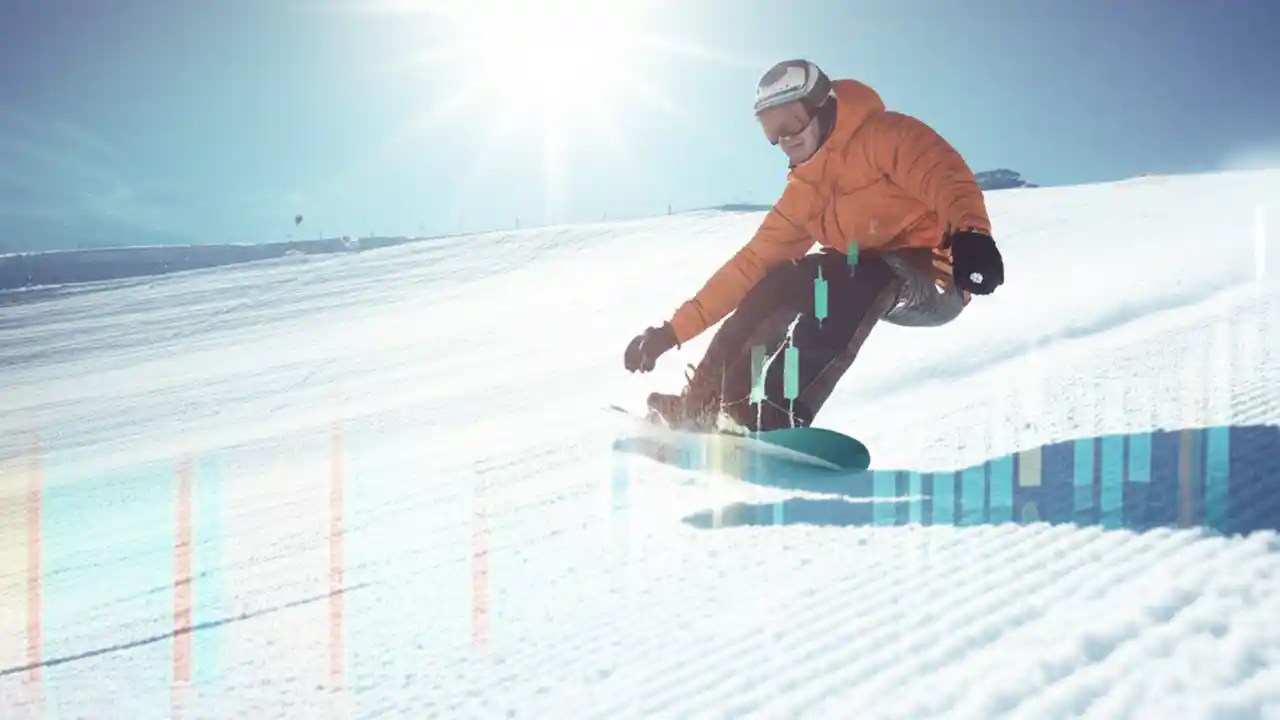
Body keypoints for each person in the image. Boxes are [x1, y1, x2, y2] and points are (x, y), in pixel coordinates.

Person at [623, 59, 1006, 432]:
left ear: (822, 106)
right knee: (779, 279)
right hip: (859, 270)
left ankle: (777, 414)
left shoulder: (883, 136)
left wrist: (971, 235)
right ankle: (706, 405)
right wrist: (671, 332)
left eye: (790, 120)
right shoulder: (804, 192)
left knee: (858, 274)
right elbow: (748, 265)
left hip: (936, 275)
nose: (784, 138)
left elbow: (942, 173)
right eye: (770, 128)